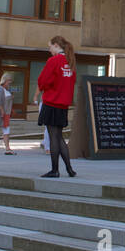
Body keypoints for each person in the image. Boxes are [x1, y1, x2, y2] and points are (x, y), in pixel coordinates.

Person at [36, 36, 77, 178]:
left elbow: (42, 80)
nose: (49, 50)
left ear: (55, 45)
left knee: (53, 137)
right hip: (63, 104)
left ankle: (55, 170)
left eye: (50, 46)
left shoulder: (53, 61)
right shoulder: (70, 62)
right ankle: (70, 169)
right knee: (59, 137)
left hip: (52, 102)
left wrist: (45, 88)